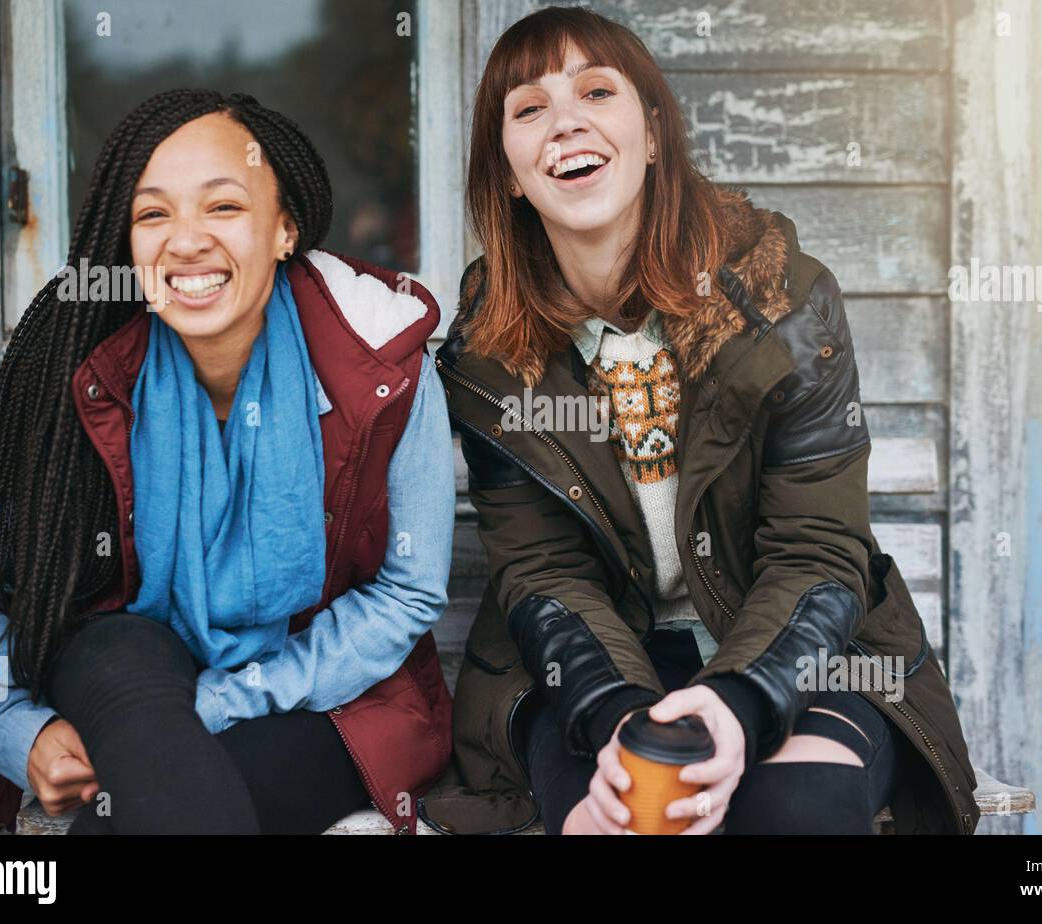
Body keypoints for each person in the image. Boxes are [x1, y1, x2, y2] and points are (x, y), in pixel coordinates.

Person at [419, 6, 980, 835]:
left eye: (596, 91)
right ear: (507, 170)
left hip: (802, 651)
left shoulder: (783, 301)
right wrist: (618, 714)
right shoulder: (492, 349)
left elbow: (820, 550)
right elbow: (543, 572)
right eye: (529, 109)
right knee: (632, 821)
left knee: (793, 811)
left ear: (652, 134)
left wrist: (737, 699)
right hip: (587, 669)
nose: (565, 121)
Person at [0, 89, 455, 835]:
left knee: (123, 813)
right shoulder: (81, 371)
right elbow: (9, 588)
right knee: (124, 647)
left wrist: (219, 701)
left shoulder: (379, 364)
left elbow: (407, 595)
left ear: (285, 228)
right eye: (153, 214)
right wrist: (17, 728)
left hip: (326, 701)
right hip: (125, 679)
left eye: (222, 207)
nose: (185, 242)